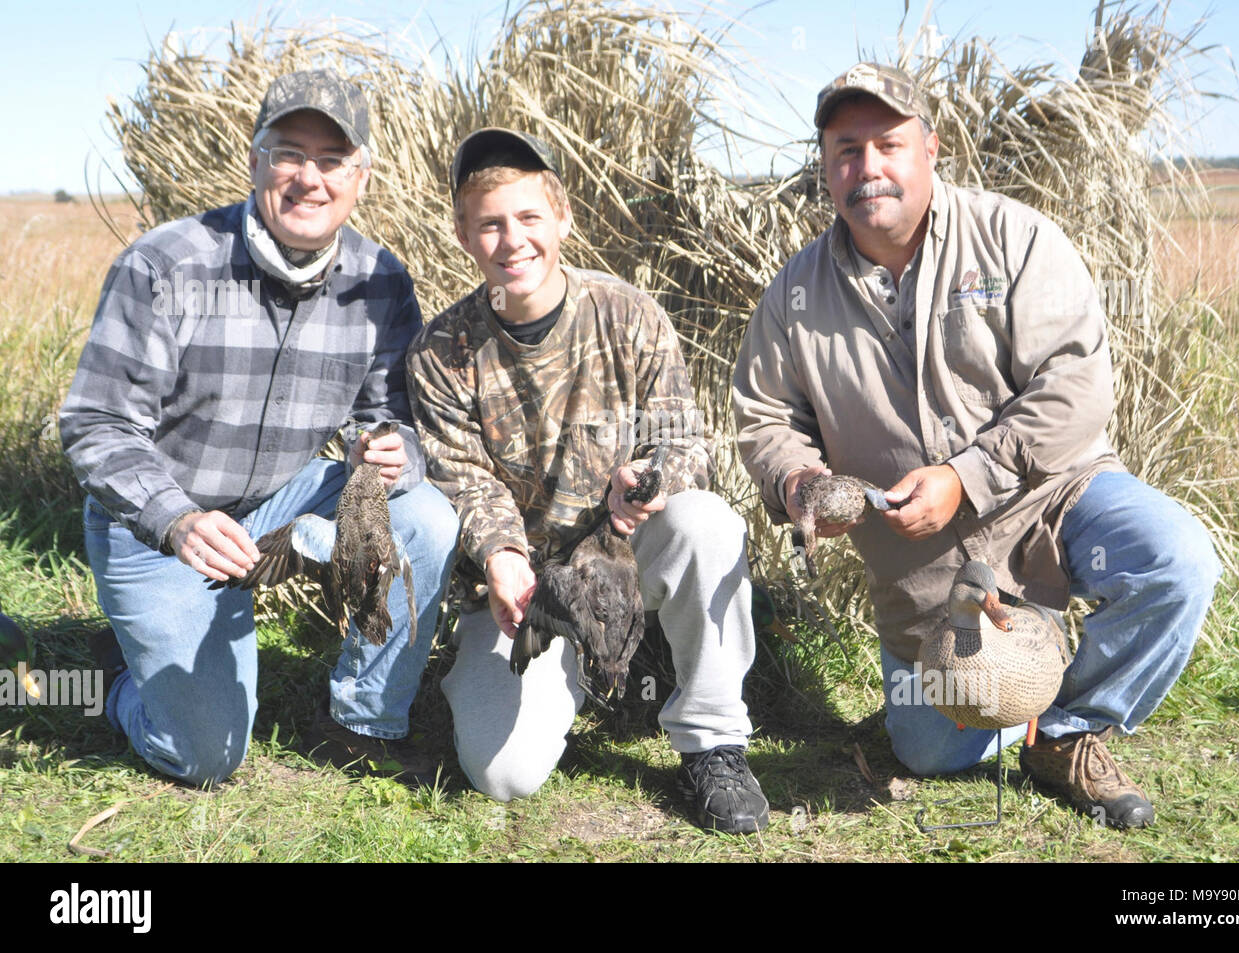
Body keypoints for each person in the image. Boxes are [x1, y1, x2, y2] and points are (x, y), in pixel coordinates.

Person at [731, 63, 1221, 829]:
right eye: (846, 151)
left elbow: (1078, 382)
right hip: (921, 568)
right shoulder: (794, 294)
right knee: (932, 751)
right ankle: (1015, 672)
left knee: (1177, 558)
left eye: (889, 144)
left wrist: (967, 476)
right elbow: (764, 417)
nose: (869, 168)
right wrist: (797, 484)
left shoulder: (1014, 237)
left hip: (1053, 500)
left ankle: (1065, 731)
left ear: (930, 147)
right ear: (825, 168)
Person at [60, 69, 459, 787]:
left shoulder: (382, 281)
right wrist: (177, 519)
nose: (310, 178)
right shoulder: (167, 264)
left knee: (424, 517)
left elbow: (393, 418)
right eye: (289, 154)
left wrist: (395, 451)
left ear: (360, 177)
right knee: (206, 756)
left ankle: (360, 721)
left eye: (332, 160)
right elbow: (97, 423)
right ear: (254, 162)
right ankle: (116, 680)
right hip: (160, 524)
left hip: (281, 501)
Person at [405, 128, 768, 833]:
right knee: (503, 775)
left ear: (563, 216)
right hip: (525, 593)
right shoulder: (440, 353)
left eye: (529, 218)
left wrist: (650, 479)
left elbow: (684, 442)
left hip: (620, 557)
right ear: (462, 233)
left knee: (708, 522)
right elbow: (463, 479)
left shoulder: (630, 315)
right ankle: (585, 674)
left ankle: (713, 739)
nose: (513, 240)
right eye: (490, 223)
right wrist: (502, 558)